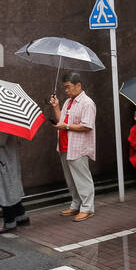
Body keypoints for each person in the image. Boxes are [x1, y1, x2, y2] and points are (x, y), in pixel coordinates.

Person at [50, 71, 98, 221]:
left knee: (82, 178)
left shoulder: (87, 103)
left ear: (78, 85)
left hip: (79, 147)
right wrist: (56, 107)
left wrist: (67, 126)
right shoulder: (67, 102)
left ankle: (87, 208)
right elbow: (61, 121)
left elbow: (87, 126)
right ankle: (76, 204)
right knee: (71, 179)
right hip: (65, 146)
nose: (66, 90)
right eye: (65, 88)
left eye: (68, 87)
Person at [0, 129, 28, 233]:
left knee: (5, 191)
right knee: (10, 189)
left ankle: (9, 222)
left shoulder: (4, 125)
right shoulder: (5, 123)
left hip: (3, 162)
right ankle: (21, 217)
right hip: (5, 161)